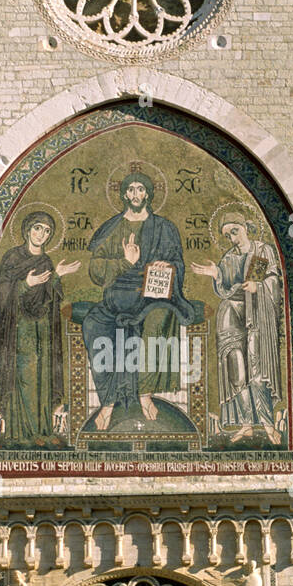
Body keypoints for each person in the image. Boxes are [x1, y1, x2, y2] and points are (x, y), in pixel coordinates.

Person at [81, 165, 196, 430]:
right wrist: (123, 261)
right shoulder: (111, 228)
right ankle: (107, 403)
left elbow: (177, 262)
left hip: (151, 297)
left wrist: (169, 268)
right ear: (123, 194)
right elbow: (96, 270)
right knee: (93, 324)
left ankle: (145, 394)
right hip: (117, 298)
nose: (135, 194)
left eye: (141, 189)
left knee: (160, 317)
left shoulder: (164, 228)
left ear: (149, 194)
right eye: (131, 189)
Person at [192, 211, 283, 445]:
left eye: (235, 231)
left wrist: (257, 285)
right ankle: (245, 425)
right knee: (237, 372)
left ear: (245, 228)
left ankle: (267, 424)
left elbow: (273, 281)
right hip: (230, 315)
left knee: (256, 371)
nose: (233, 239)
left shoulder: (262, 251)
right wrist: (216, 276)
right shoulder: (229, 258)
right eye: (227, 235)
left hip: (255, 316)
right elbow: (224, 292)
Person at [0, 211, 80, 444]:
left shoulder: (46, 261)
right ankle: (21, 432)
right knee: (25, 376)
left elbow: (48, 299)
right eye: (38, 228)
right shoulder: (12, 258)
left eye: (47, 230)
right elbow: (2, 297)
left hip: (43, 329)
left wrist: (57, 276)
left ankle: (41, 431)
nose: (42, 234)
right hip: (20, 330)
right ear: (27, 230)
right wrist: (24, 284)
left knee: (42, 376)